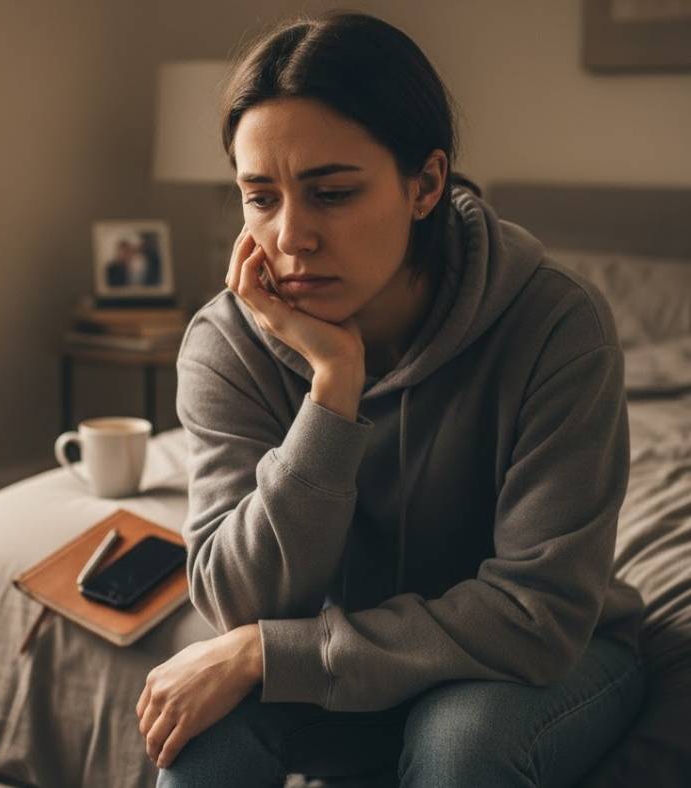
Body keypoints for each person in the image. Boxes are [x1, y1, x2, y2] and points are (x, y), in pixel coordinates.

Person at [135, 11, 645, 787]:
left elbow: (537, 617)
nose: (291, 237)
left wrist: (272, 654)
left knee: (461, 744)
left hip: (537, 659)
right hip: (334, 656)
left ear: (426, 184)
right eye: (261, 198)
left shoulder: (555, 325)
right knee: (203, 742)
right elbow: (239, 599)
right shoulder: (227, 342)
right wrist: (332, 393)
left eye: (332, 193)